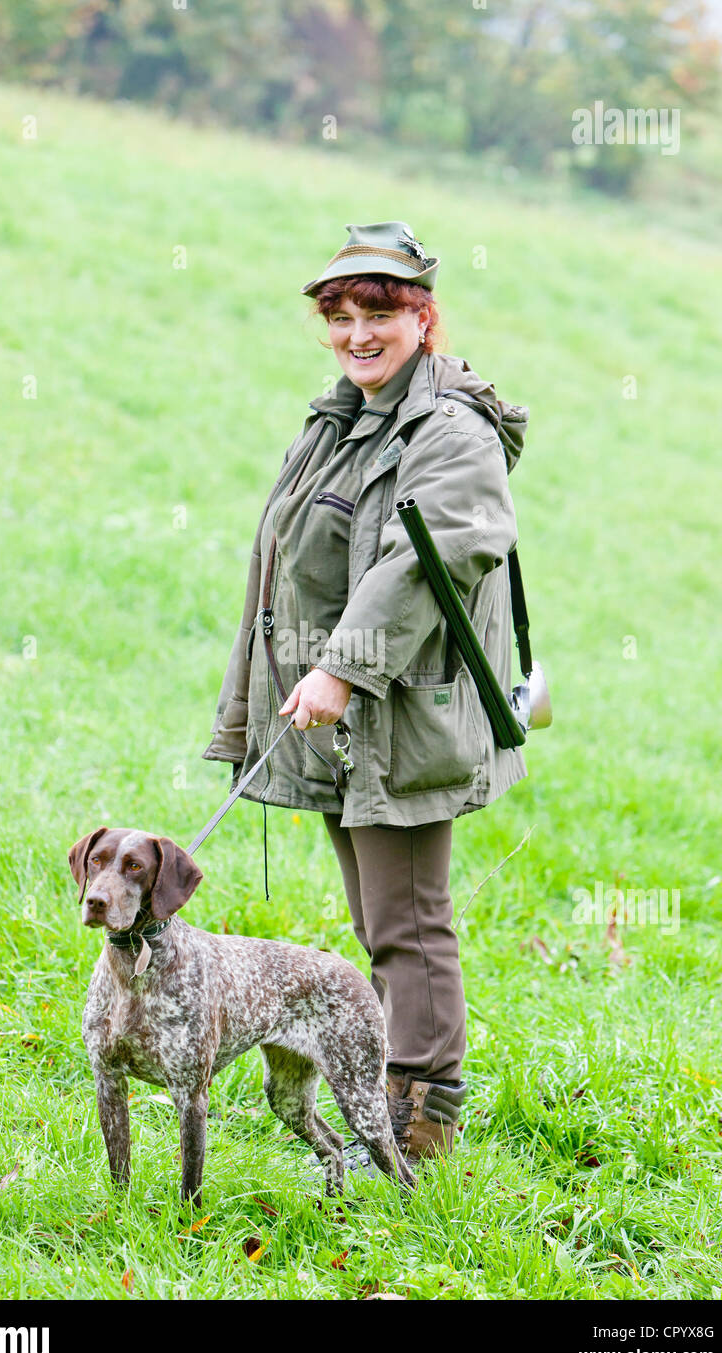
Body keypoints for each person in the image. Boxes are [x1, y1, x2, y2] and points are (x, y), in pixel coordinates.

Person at [202, 221, 528, 1164]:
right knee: (378, 918)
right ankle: (391, 1098)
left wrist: (341, 669)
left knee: (407, 925)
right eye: (340, 316)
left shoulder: (453, 430)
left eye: (378, 314)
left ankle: (421, 1127)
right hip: (345, 715)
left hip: (405, 713)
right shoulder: (341, 420)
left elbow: (429, 559)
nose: (356, 334)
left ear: (423, 318)